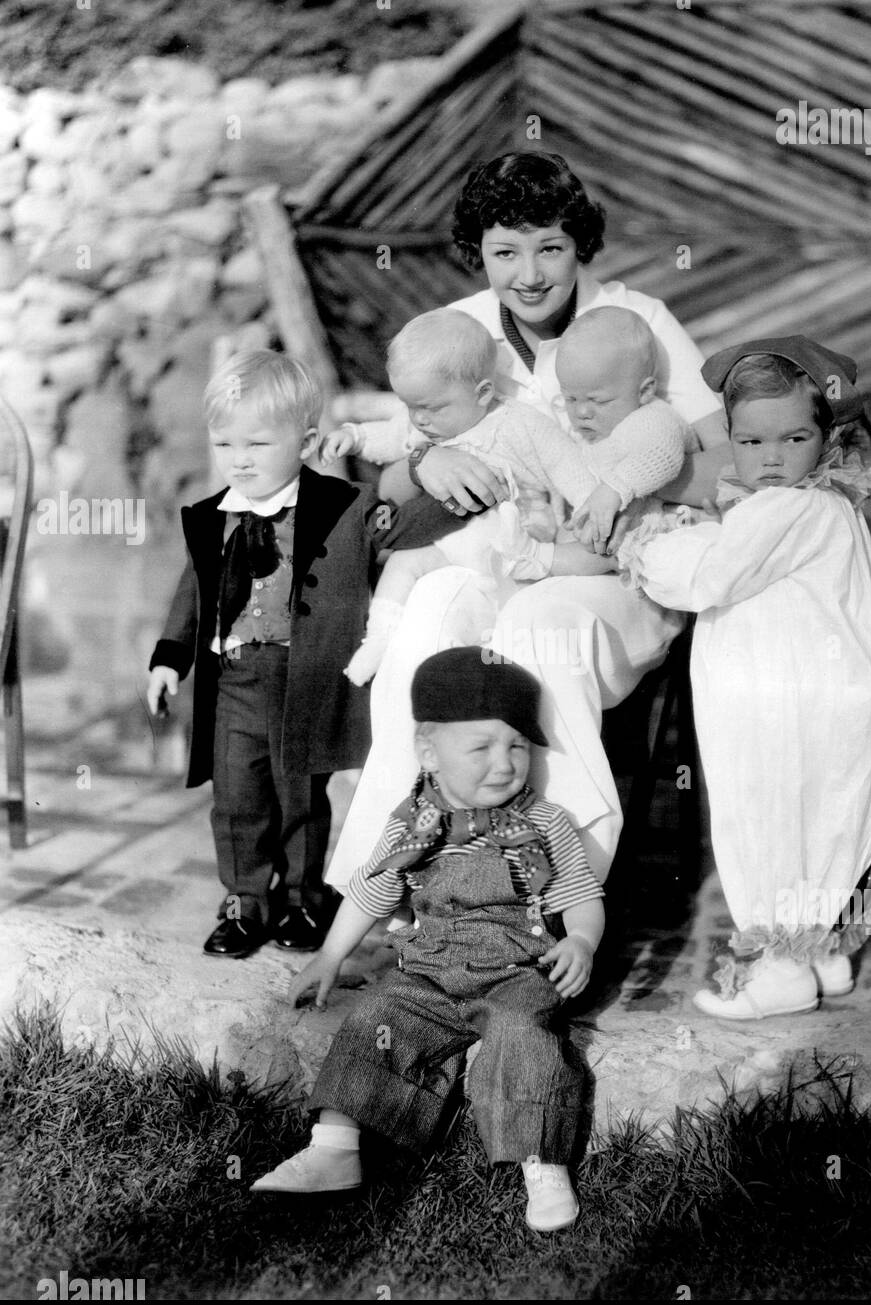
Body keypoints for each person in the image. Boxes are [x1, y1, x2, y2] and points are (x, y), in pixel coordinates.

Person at [325, 151, 726, 886]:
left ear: (580, 246)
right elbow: (390, 473)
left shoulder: (637, 321)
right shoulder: (458, 331)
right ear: (477, 251)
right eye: (504, 252)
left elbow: (723, 463)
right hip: (502, 558)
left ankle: (562, 899)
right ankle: (381, 878)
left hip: (608, 569)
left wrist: (623, 483)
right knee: (430, 609)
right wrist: (423, 466)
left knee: (538, 627)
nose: (529, 274)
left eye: (551, 248)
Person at [251, 648, 605, 1233]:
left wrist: (582, 943)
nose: (504, 763)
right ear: (428, 752)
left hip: (517, 973)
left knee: (526, 1036)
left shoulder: (544, 825)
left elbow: (581, 895)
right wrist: (331, 956)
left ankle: (542, 1163)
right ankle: (335, 1147)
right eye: (481, 747)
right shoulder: (411, 825)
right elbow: (369, 892)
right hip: (429, 974)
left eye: (517, 745)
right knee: (374, 1021)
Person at [146, 350, 468, 958]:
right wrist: (168, 660)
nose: (239, 459)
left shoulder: (342, 508)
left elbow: (409, 522)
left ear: (306, 441)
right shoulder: (213, 519)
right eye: (225, 444)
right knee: (237, 799)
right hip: (235, 681)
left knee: (301, 799)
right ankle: (244, 902)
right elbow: (191, 591)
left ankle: (301, 901)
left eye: (258, 444)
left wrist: (435, 466)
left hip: (305, 681)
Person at [623, 336, 871, 1020]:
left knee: (766, 820)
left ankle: (778, 973)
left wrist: (646, 543)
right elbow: (741, 548)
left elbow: (709, 575)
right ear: (731, 438)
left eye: (793, 437)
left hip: (774, 703)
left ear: (827, 435)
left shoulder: (787, 508)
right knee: (820, 819)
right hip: (824, 693)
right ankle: (821, 950)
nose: (770, 458)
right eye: (750, 442)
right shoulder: (830, 502)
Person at [326, 305, 690, 684]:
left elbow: (567, 467)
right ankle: (379, 637)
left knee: (485, 615)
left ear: (483, 393)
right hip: (455, 544)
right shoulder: (429, 423)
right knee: (404, 564)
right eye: (411, 406)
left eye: (428, 408)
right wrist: (355, 437)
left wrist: (594, 508)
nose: (419, 419)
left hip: (514, 547)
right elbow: (393, 435)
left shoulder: (520, 425)